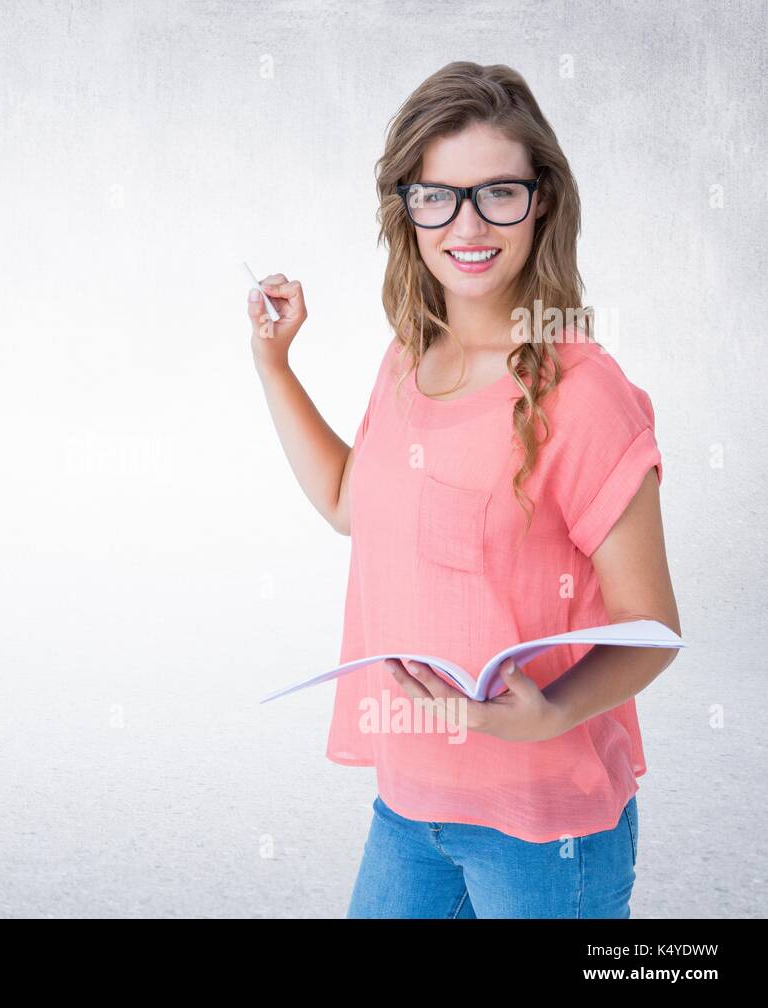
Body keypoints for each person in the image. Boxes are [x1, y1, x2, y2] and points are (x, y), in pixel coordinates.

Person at [247, 61, 681, 918]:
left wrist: (546, 713)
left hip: (542, 831)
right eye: (438, 196)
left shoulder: (585, 394)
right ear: (407, 210)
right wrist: (274, 364)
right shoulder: (412, 355)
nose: (468, 224)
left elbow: (653, 631)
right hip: (409, 809)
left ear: (543, 201)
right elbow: (346, 501)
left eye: (498, 194)